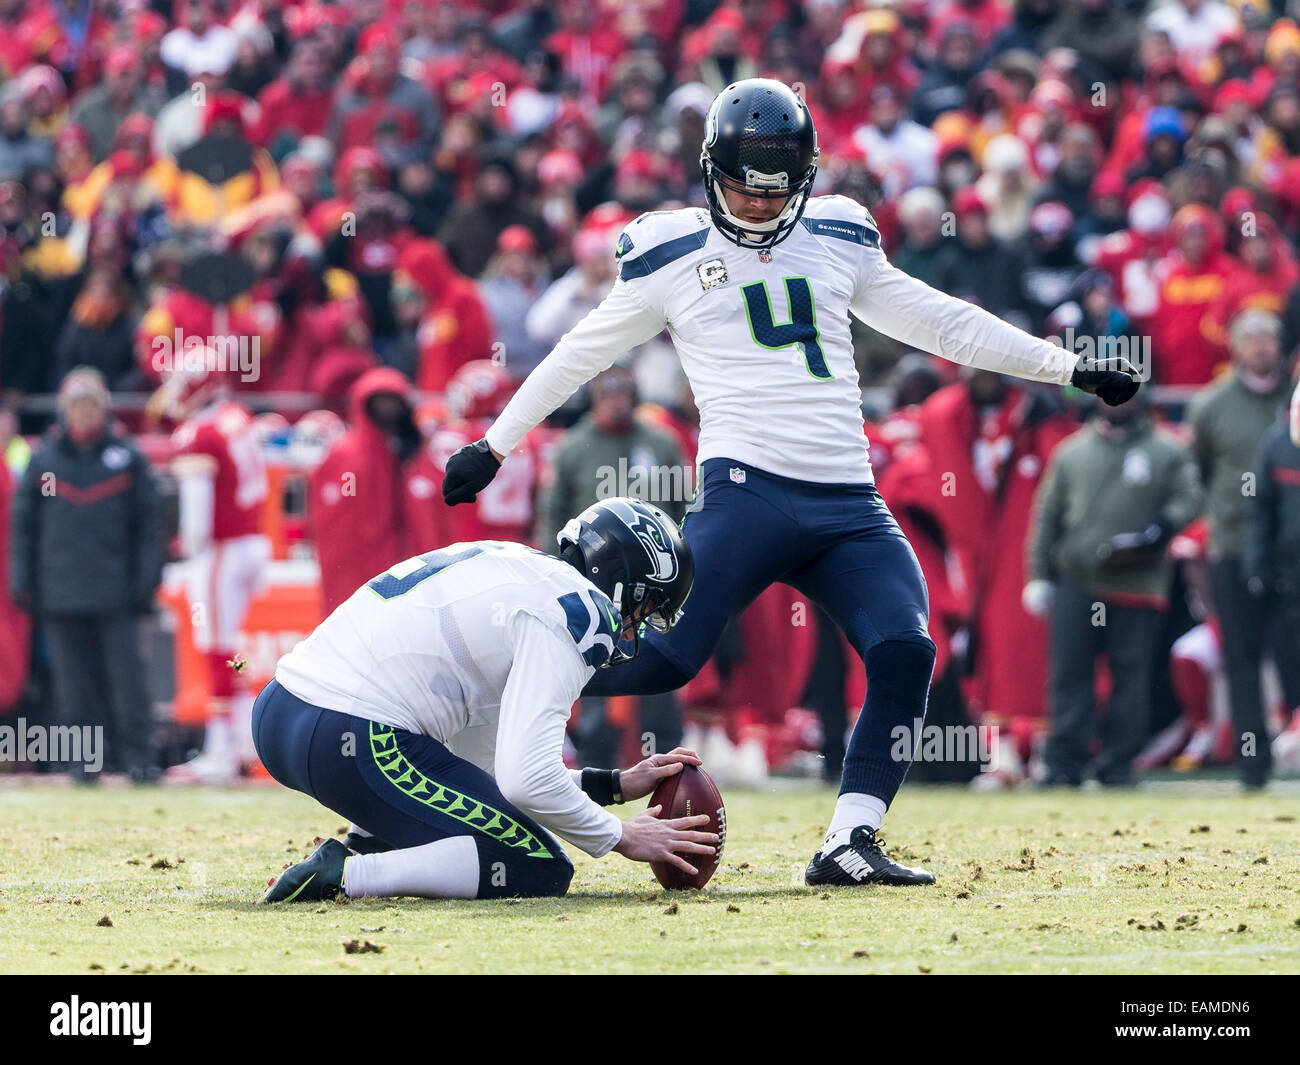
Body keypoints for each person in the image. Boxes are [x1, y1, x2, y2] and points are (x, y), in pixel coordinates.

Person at [440, 79, 1139, 886]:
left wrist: (1070, 368)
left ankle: (849, 839)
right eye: (744, 186)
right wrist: (493, 445)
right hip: (747, 491)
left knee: (908, 648)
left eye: (777, 190)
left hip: (848, 499)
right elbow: (580, 352)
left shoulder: (840, 233)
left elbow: (941, 319)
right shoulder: (671, 252)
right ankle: (481, 692)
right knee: (667, 658)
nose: (762, 207)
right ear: (709, 171)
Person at [256, 498, 715, 902]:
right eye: (645, 609)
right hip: (350, 730)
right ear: (623, 582)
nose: (636, 629)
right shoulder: (580, 612)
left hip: (284, 713)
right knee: (536, 865)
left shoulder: (523, 570)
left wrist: (612, 785)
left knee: (479, 815)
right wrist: (623, 836)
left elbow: (492, 773)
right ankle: (345, 874)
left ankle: (372, 844)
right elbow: (526, 781)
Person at [1024, 393, 1203, 786]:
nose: (1118, 399)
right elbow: (1046, 516)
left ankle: (1119, 763)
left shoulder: (1167, 450)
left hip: (1138, 583)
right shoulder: (1071, 452)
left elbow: (1190, 498)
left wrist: (1161, 528)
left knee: (1130, 677)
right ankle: (1064, 763)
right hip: (1079, 579)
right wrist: (1038, 575)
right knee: (1070, 674)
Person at [9, 368, 161, 781]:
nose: (86, 412)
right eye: (78, 405)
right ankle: (83, 762)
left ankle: (138, 758)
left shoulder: (128, 458)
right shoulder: (44, 460)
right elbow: (23, 528)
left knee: (127, 681)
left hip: (118, 592)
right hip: (60, 592)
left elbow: (151, 527)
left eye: (93, 403)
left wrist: (146, 580)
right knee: (72, 685)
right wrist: (22, 580)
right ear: (65, 411)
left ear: (104, 408)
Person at [1188, 309, 1297, 788]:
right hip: (1232, 545)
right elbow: (1201, 472)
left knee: (1292, 655)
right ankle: (1253, 766)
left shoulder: (1292, 400)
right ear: (1234, 346)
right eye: (1250, 339)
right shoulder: (1211, 405)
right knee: (1242, 657)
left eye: (1268, 340)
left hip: (1290, 554)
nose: (1260, 348)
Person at [155, 362, 272, 783]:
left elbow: (198, 519)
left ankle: (221, 751)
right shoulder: (235, 418)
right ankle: (242, 740)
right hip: (251, 542)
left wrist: (189, 551)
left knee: (216, 648)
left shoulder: (198, 433)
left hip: (222, 548)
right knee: (231, 650)